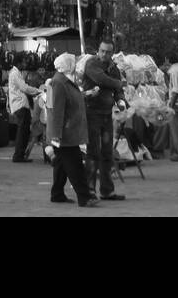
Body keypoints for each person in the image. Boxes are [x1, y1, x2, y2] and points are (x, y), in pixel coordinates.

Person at [48, 54, 97, 207]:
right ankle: (84, 197)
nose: (75, 65)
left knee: (62, 164)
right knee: (75, 165)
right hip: (65, 134)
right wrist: (56, 134)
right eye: (73, 63)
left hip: (65, 132)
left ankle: (57, 194)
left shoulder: (62, 81)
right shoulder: (59, 83)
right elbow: (55, 110)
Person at [81, 39, 125, 198]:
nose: (105, 54)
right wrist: (118, 84)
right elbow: (101, 79)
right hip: (91, 113)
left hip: (106, 114)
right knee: (93, 153)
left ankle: (107, 191)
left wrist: (120, 101)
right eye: (102, 51)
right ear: (98, 51)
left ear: (112, 53)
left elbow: (118, 90)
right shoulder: (91, 63)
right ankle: (90, 191)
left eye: (108, 52)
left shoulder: (114, 68)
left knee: (107, 153)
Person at [7, 53, 38, 163]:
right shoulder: (14, 73)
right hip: (19, 105)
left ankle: (21, 154)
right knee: (22, 131)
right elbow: (24, 88)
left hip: (22, 105)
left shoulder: (17, 73)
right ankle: (18, 155)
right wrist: (37, 91)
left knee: (24, 131)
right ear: (19, 62)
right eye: (24, 62)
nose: (25, 64)